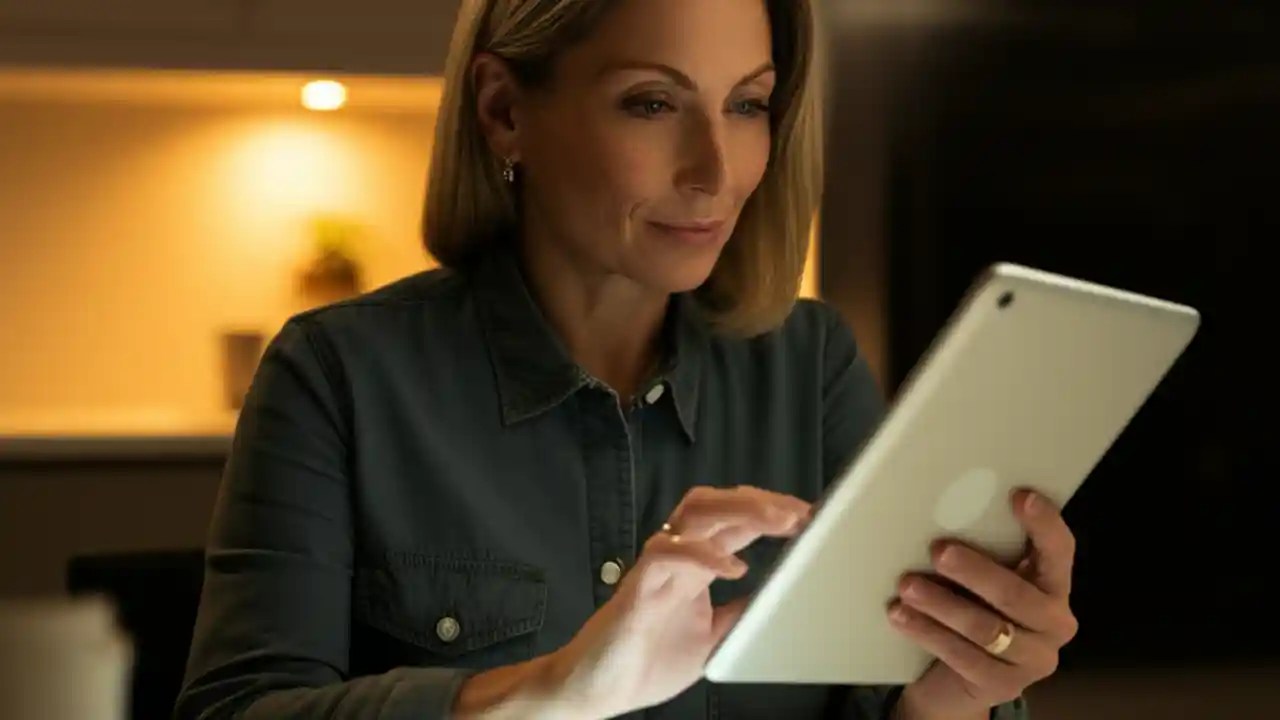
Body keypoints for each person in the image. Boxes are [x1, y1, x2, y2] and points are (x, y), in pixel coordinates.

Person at [174, 1, 1078, 718]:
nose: (714, 171)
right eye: (652, 103)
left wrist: (952, 695)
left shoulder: (813, 368)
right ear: (504, 111)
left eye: (747, 105)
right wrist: (556, 691)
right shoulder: (338, 377)